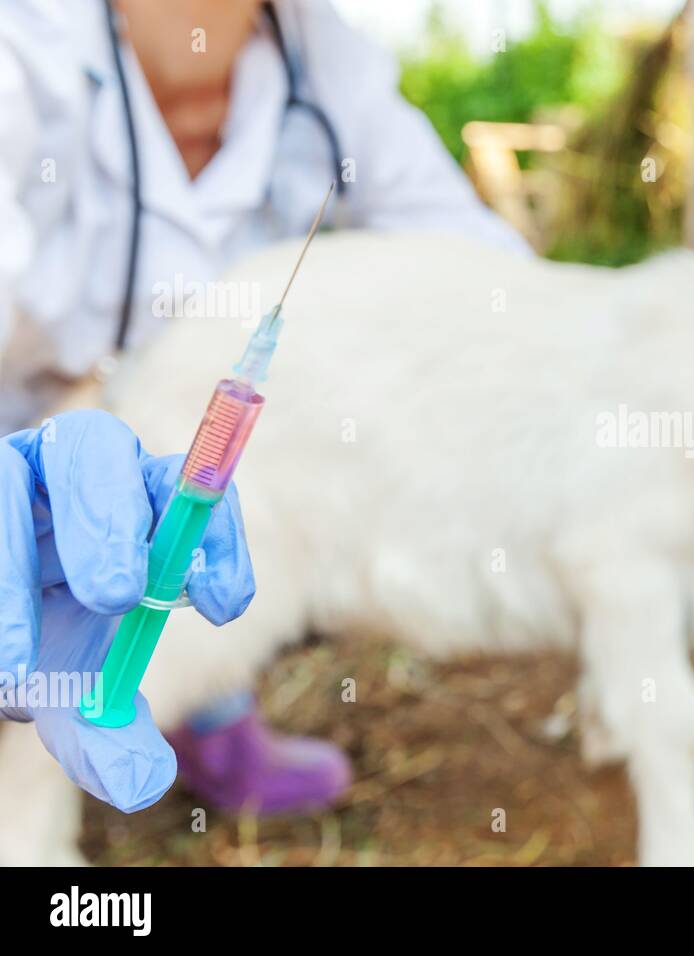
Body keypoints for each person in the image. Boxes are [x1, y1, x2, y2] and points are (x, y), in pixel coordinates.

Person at [0, 0, 528, 813]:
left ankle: (210, 704)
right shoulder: (28, 47)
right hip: (30, 446)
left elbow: (484, 273)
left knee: (209, 538)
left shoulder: (326, 63)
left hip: (176, 452)